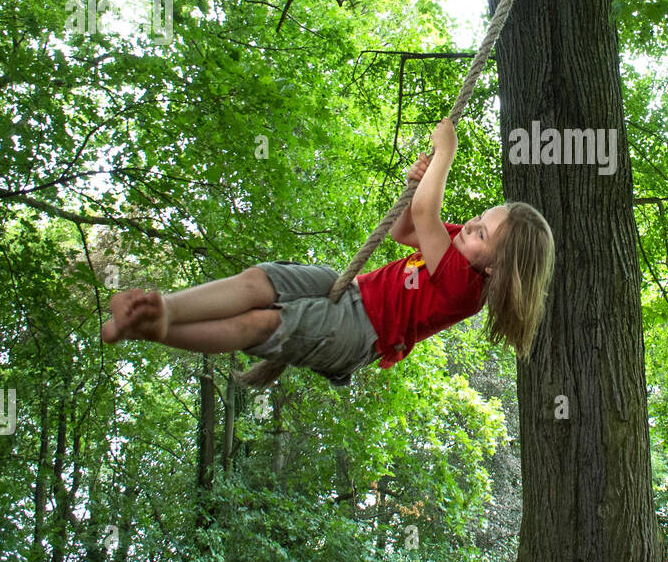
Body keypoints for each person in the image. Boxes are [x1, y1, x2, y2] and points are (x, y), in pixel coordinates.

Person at [100, 118, 555, 388]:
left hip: (358, 332)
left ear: (494, 265)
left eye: (481, 233)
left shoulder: (463, 286)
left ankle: (157, 328)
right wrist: (414, 181)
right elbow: (404, 228)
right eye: (477, 219)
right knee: (258, 282)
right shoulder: (458, 245)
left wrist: (445, 155)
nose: (469, 227)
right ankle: (167, 306)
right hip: (352, 291)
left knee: (260, 324)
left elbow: (424, 211)